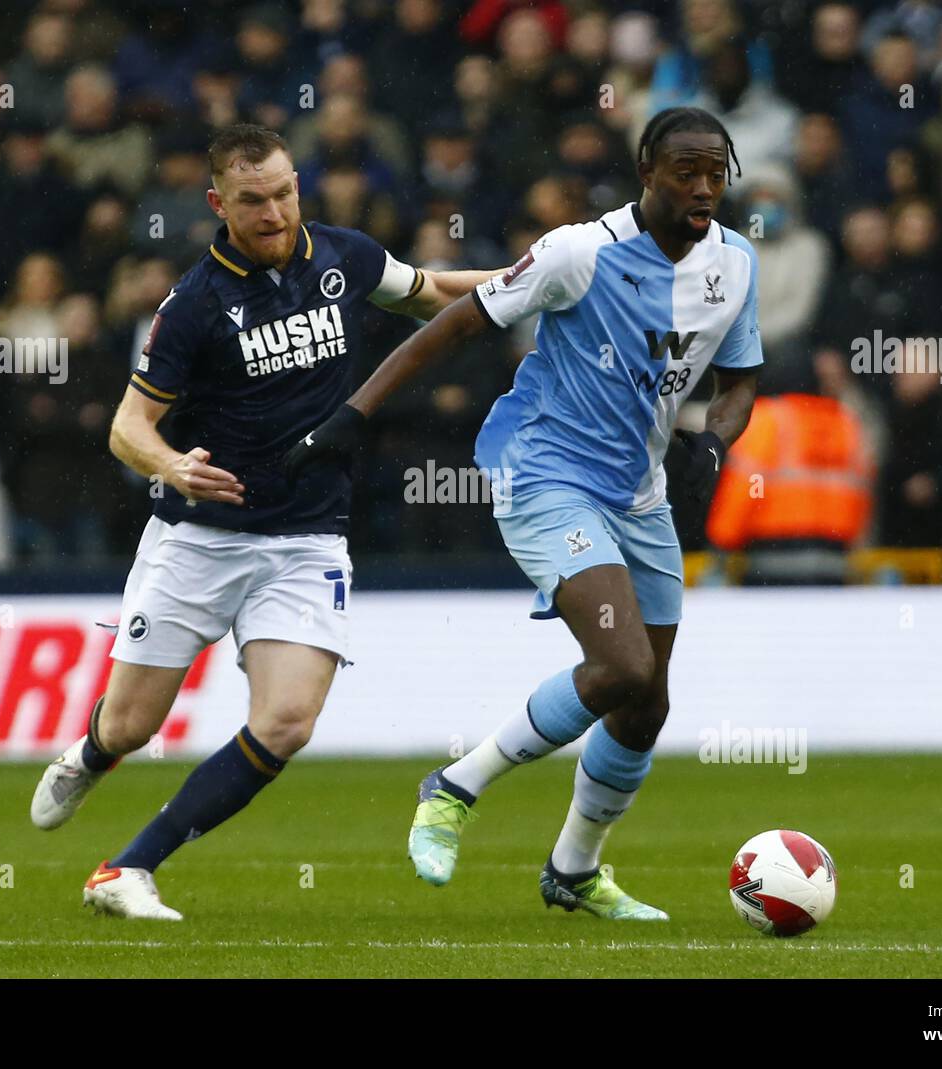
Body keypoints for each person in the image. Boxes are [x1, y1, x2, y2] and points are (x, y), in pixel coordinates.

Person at [285, 107, 763, 920]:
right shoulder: (579, 252)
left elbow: (741, 379)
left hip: (639, 491)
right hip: (545, 470)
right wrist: (354, 416)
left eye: (717, 172)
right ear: (647, 170)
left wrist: (714, 445)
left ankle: (573, 870)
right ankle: (455, 784)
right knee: (620, 665)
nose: (704, 187)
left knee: (648, 703)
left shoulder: (737, 264)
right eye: (686, 171)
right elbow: (452, 325)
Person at [28, 123, 501, 920]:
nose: (275, 211)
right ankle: (94, 750)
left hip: (307, 538)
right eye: (253, 200)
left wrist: (539, 277)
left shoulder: (345, 256)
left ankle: (129, 867)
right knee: (134, 724)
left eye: (284, 192)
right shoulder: (193, 305)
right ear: (219, 203)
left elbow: (429, 291)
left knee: (285, 721)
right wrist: (171, 464)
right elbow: (126, 428)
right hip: (199, 540)